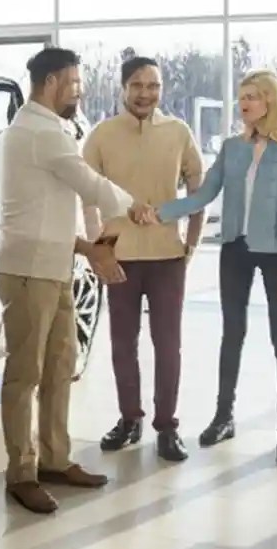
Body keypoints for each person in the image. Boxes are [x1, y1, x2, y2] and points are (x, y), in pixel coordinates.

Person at [131, 69, 277, 465]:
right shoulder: (233, 148)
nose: (244, 103)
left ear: (270, 100)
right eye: (241, 96)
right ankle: (223, 416)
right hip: (236, 249)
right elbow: (204, 195)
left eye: (251, 96)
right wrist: (160, 213)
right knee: (232, 334)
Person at [0, 46, 134, 513]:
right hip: (28, 271)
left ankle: (55, 459)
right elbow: (89, 183)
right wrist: (134, 207)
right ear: (52, 81)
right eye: (74, 83)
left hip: (54, 266)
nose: (79, 91)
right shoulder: (37, 131)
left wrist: (92, 247)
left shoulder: (53, 129)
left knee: (59, 367)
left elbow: (62, 208)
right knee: (25, 374)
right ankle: (22, 472)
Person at [81, 56, 203, 463]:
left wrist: (192, 243)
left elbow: (198, 189)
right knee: (122, 344)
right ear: (123, 88)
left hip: (168, 257)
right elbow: (87, 194)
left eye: (153, 85)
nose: (146, 93)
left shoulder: (178, 132)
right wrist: (99, 248)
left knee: (168, 345)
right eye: (137, 84)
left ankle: (167, 426)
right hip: (121, 258)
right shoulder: (101, 135)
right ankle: (129, 419)